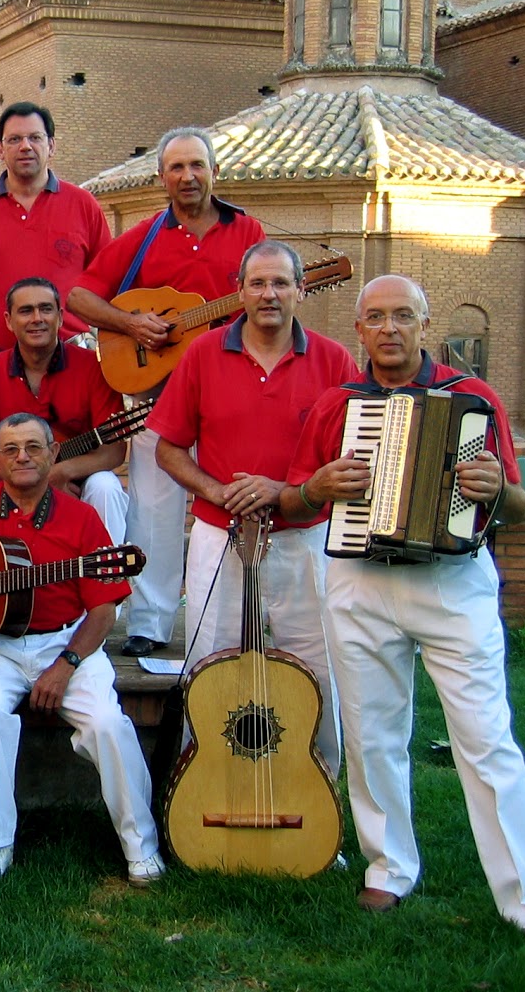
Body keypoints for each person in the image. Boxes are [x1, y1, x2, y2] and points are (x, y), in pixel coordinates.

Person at [279, 275, 525, 953]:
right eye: (375, 318)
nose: (389, 329)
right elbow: (295, 503)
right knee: (373, 734)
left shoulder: (473, 400)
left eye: (402, 316)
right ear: (358, 329)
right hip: (359, 580)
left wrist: (501, 491)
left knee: (486, 738)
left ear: (424, 323)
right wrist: (316, 486)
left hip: (452, 582)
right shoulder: (337, 405)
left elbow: (520, 506)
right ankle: (389, 865)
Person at [0, 413, 163, 888]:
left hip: (68, 642)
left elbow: (103, 613)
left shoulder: (82, 519)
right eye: (11, 449)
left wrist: (66, 666)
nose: (22, 457)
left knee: (107, 723)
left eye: (34, 447)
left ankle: (140, 846)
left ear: (54, 453)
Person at [145, 241, 356, 775]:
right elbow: (168, 448)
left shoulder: (334, 361)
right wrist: (218, 493)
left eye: (281, 283)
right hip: (221, 536)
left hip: (304, 539)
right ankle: (199, 790)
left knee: (319, 669)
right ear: (239, 291)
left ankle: (320, 791)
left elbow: (350, 457)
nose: (269, 294)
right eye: (258, 283)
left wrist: (284, 490)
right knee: (208, 665)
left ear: (301, 291)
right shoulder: (203, 353)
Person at [69, 127, 266, 658]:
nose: (187, 176)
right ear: (161, 178)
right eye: (176, 168)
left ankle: (233, 622)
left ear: (214, 171)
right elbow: (80, 295)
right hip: (156, 394)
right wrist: (130, 326)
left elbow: (269, 298)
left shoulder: (248, 231)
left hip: (226, 394)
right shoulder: (145, 235)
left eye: (196, 165)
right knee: (153, 508)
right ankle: (150, 622)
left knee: (231, 500)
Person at [0, 278, 127, 538]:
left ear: (61, 317)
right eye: (26, 311)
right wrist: (34, 478)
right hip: (8, 481)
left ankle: (110, 574)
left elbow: (113, 450)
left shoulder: (94, 367)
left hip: (74, 480)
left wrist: (63, 471)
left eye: (46, 309)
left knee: (106, 487)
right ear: (9, 321)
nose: (37, 318)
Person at [0, 102, 111, 371]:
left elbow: (106, 277)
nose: (25, 146)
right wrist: (0, 312)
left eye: (35, 137)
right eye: (14, 139)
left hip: (71, 360)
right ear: (0, 149)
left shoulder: (83, 205)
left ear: (51, 145)